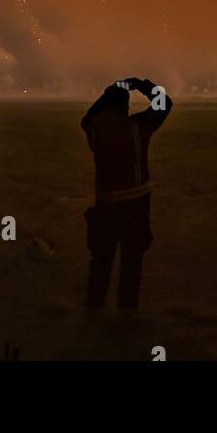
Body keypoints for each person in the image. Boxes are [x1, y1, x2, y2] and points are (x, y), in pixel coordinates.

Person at [81, 76, 173, 309]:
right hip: (135, 209)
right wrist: (139, 84)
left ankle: (93, 310)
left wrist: (109, 91)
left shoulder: (95, 131)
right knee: (132, 265)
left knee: (101, 263)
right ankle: (127, 315)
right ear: (125, 107)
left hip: (105, 210)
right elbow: (165, 103)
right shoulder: (138, 128)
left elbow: (87, 118)